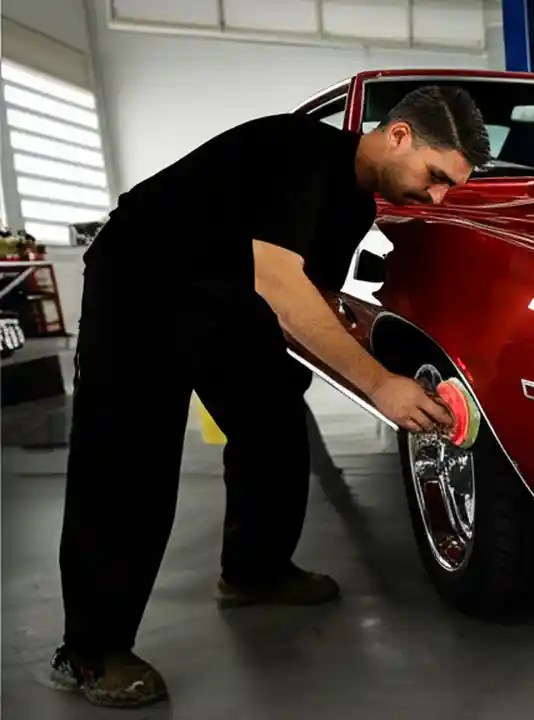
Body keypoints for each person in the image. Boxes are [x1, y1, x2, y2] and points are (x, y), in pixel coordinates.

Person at [50, 85, 491, 708]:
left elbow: (312, 304)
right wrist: (380, 385)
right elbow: (281, 285)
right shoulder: (295, 151)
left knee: (274, 419)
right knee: (128, 456)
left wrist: (388, 359)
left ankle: (254, 573)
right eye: (436, 175)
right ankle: (90, 653)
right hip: (144, 279)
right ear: (398, 136)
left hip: (227, 296)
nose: (437, 197)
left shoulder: (355, 208)